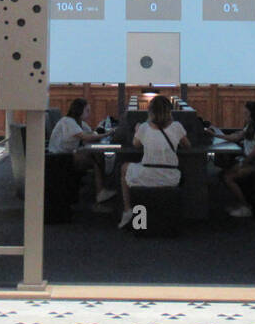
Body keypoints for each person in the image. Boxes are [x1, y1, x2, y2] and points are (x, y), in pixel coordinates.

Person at [117, 94, 189, 229]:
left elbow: (136, 144)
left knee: (124, 168)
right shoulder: (177, 126)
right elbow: (187, 145)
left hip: (147, 176)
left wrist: (137, 130)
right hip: (170, 177)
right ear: (169, 110)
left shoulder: (144, 127)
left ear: (150, 110)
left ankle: (127, 209)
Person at [48, 98, 116, 209]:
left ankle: (102, 189)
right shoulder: (68, 121)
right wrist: (106, 134)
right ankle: (101, 191)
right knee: (96, 158)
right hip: (60, 158)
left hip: (68, 154)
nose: (89, 113)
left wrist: (99, 131)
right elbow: (86, 137)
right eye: (87, 110)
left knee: (98, 155)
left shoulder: (78, 122)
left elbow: (90, 133)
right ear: (79, 110)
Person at [218, 101, 255, 218]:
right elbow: (235, 137)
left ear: (252, 113)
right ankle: (240, 203)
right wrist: (215, 135)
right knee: (224, 174)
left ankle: (246, 206)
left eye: (246, 112)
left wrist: (244, 163)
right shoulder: (250, 126)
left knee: (228, 177)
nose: (244, 115)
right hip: (248, 160)